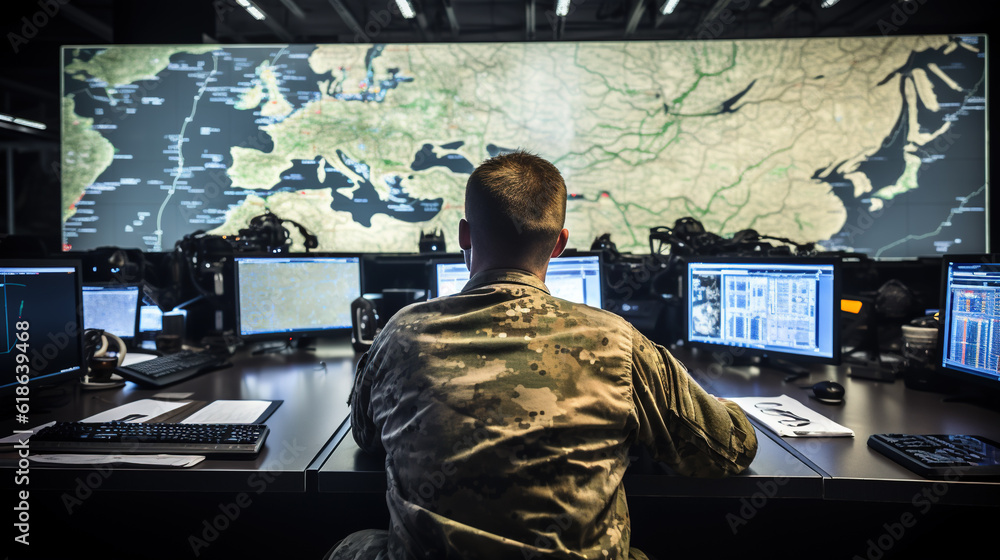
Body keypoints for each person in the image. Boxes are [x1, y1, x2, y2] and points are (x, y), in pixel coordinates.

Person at [330, 150, 758, 560]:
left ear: (464, 234)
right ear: (560, 243)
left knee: (355, 542)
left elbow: (366, 437)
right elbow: (728, 450)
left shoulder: (403, 332)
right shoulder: (617, 341)